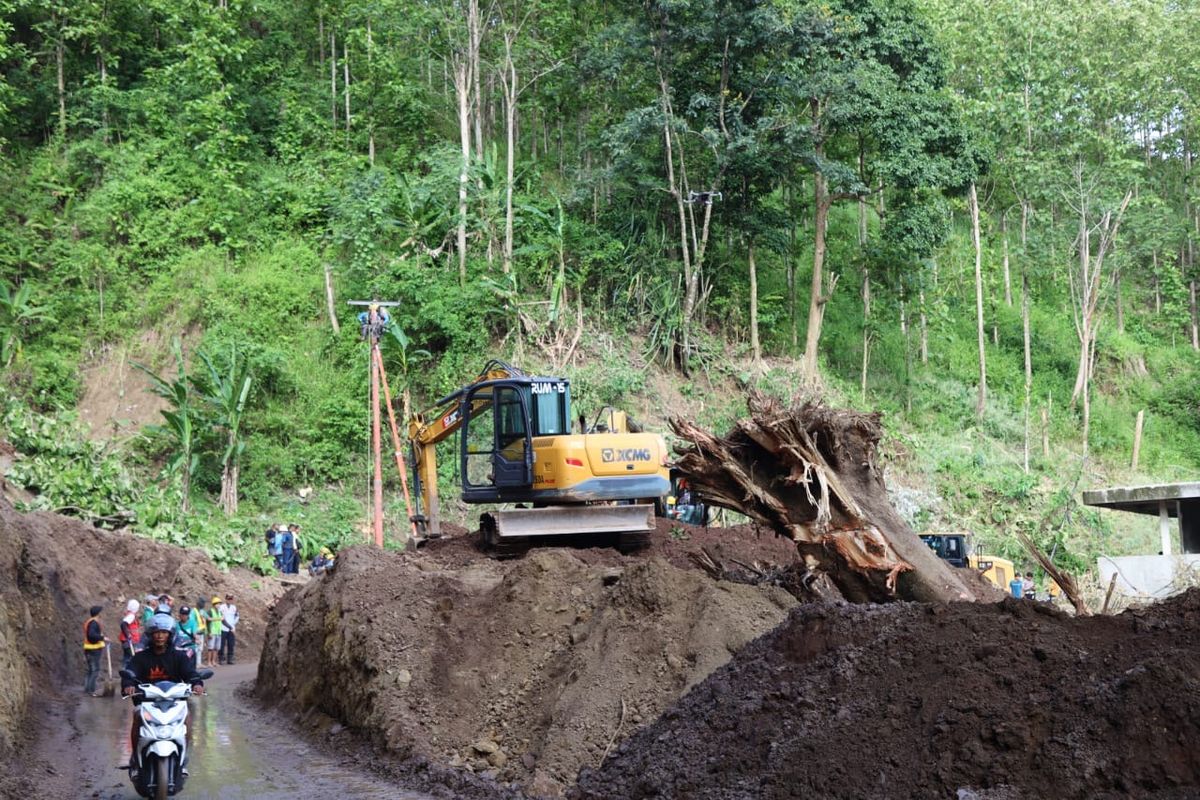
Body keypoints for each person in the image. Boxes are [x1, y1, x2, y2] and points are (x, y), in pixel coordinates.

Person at [122, 613, 205, 769]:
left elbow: (190, 673)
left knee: (187, 716)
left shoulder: (179, 657)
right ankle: (135, 756)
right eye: (156, 633)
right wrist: (128, 685)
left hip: (173, 703)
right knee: (137, 715)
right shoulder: (140, 658)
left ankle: (183, 753)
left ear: (170, 635)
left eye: (164, 633)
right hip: (147, 703)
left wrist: (196, 683)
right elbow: (130, 673)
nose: (160, 636)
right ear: (150, 635)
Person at [83, 605, 107, 696]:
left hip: (89, 649)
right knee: (95, 670)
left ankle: (87, 689)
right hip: (93, 650)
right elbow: (91, 635)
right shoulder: (93, 623)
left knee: (90, 670)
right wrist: (102, 638)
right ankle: (92, 690)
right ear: (98, 613)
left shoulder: (90, 622)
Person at [119, 599, 141, 670]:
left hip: (127, 641)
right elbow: (123, 624)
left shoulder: (129, 614)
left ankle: (124, 670)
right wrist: (128, 635)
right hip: (130, 641)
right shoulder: (131, 616)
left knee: (127, 658)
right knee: (131, 658)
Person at [217, 594, 239, 666]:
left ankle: (230, 659)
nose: (229, 600)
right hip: (223, 627)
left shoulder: (234, 607)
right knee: (222, 644)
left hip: (232, 628)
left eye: (231, 599)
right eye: (228, 599)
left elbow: (237, 616)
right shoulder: (221, 607)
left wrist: (233, 623)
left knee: (231, 644)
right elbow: (220, 617)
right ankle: (220, 658)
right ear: (226, 599)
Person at [205, 596, 223, 667]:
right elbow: (207, 621)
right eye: (217, 603)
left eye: (219, 604)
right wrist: (209, 632)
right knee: (210, 648)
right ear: (214, 604)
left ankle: (214, 661)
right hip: (212, 632)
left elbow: (222, 620)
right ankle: (209, 662)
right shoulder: (210, 611)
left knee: (216, 648)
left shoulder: (219, 612)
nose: (219, 605)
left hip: (218, 632)